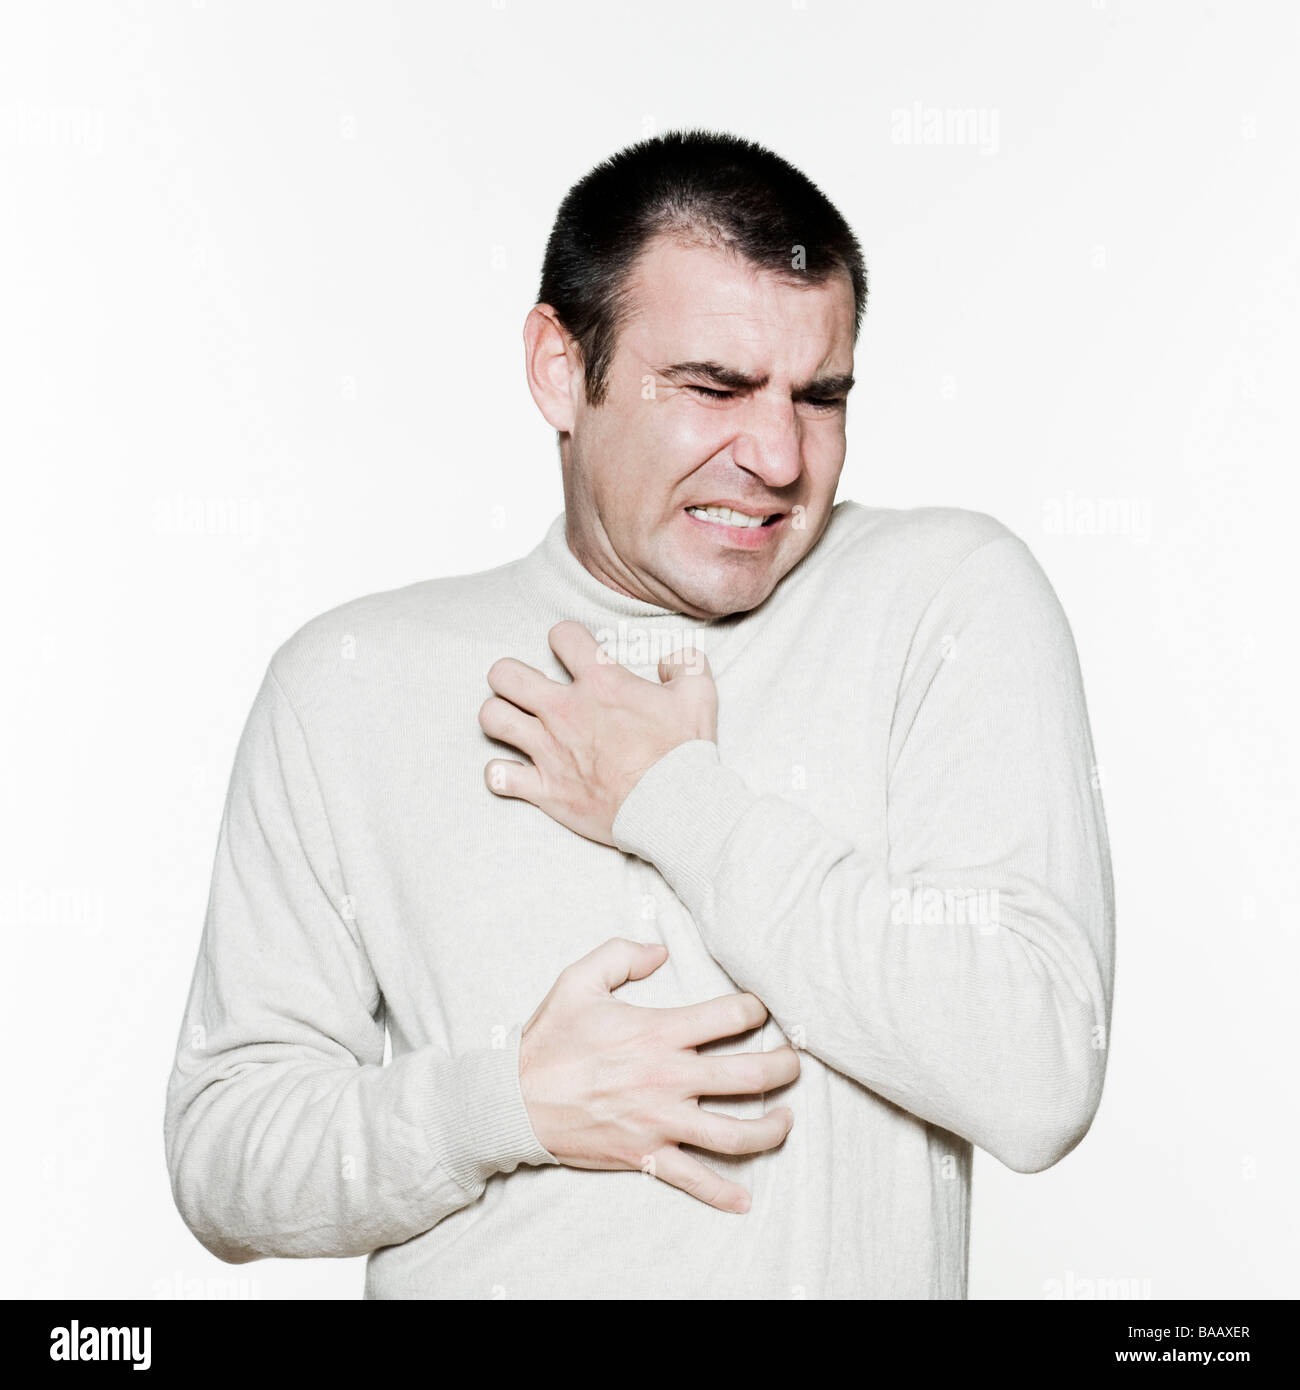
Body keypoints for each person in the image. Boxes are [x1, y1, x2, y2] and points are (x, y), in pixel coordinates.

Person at [165, 129, 1115, 1299]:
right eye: (712, 387)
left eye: (818, 396)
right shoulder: (348, 679)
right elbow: (220, 1158)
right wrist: (501, 1103)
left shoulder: (940, 601)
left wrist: (677, 802)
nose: (775, 454)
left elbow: (1033, 1075)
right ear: (560, 369)